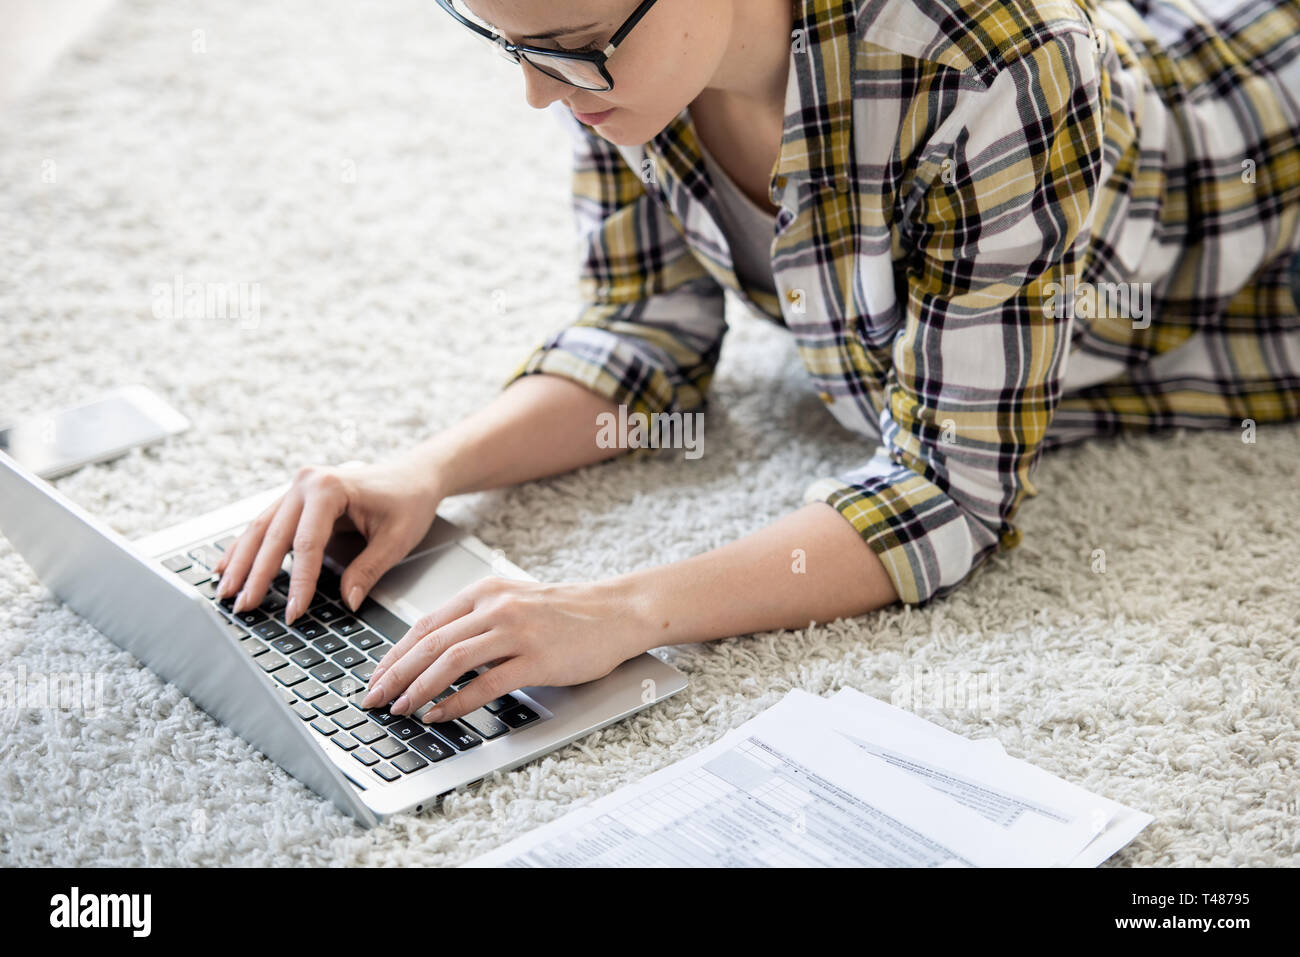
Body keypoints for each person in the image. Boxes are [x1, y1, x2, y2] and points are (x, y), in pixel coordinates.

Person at [214, 0, 1300, 728]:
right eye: (508, 44)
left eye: (570, 42)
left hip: (1252, 201)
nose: (541, 94)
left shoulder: (999, 64)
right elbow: (644, 337)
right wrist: (426, 472)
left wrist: (623, 610)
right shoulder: (613, 57)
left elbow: (945, 497)